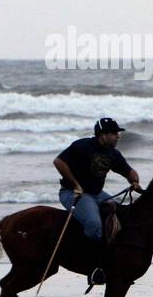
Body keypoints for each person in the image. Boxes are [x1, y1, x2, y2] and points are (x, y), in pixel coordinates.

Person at [53, 117, 142, 285]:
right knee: (94, 225)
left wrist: (134, 182)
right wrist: (75, 184)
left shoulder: (113, 153)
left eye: (118, 133)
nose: (118, 136)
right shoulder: (82, 146)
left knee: (120, 215)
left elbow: (129, 171)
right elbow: (58, 162)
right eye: (114, 133)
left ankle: (114, 260)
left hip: (97, 194)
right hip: (73, 193)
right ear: (102, 134)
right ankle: (92, 267)